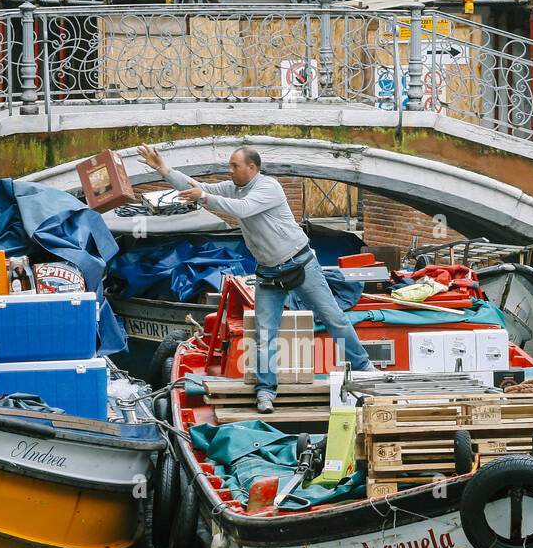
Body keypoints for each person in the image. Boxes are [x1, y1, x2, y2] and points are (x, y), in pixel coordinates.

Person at [136, 144, 376, 413]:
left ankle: (367, 370)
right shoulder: (234, 188)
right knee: (264, 334)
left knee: (335, 319)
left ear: (252, 168)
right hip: (269, 272)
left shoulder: (268, 188)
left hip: (301, 264)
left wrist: (202, 196)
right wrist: (163, 168)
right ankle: (265, 390)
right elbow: (195, 185)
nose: (230, 170)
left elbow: (242, 209)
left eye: (234, 166)